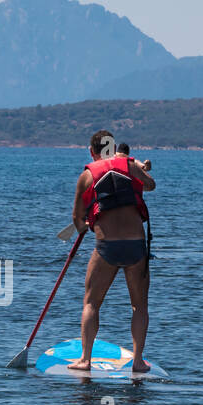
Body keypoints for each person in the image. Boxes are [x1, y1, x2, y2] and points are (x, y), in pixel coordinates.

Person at [68, 129, 156, 373]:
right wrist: (139, 174)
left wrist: (85, 225)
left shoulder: (87, 176)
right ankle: (137, 362)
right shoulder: (130, 165)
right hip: (136, 247)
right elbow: (150, 186)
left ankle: (85, 360)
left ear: (92, 151)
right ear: (114, 148)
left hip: (107, 247)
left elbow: (76, 219)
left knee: (91, 303)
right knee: (139, 306)